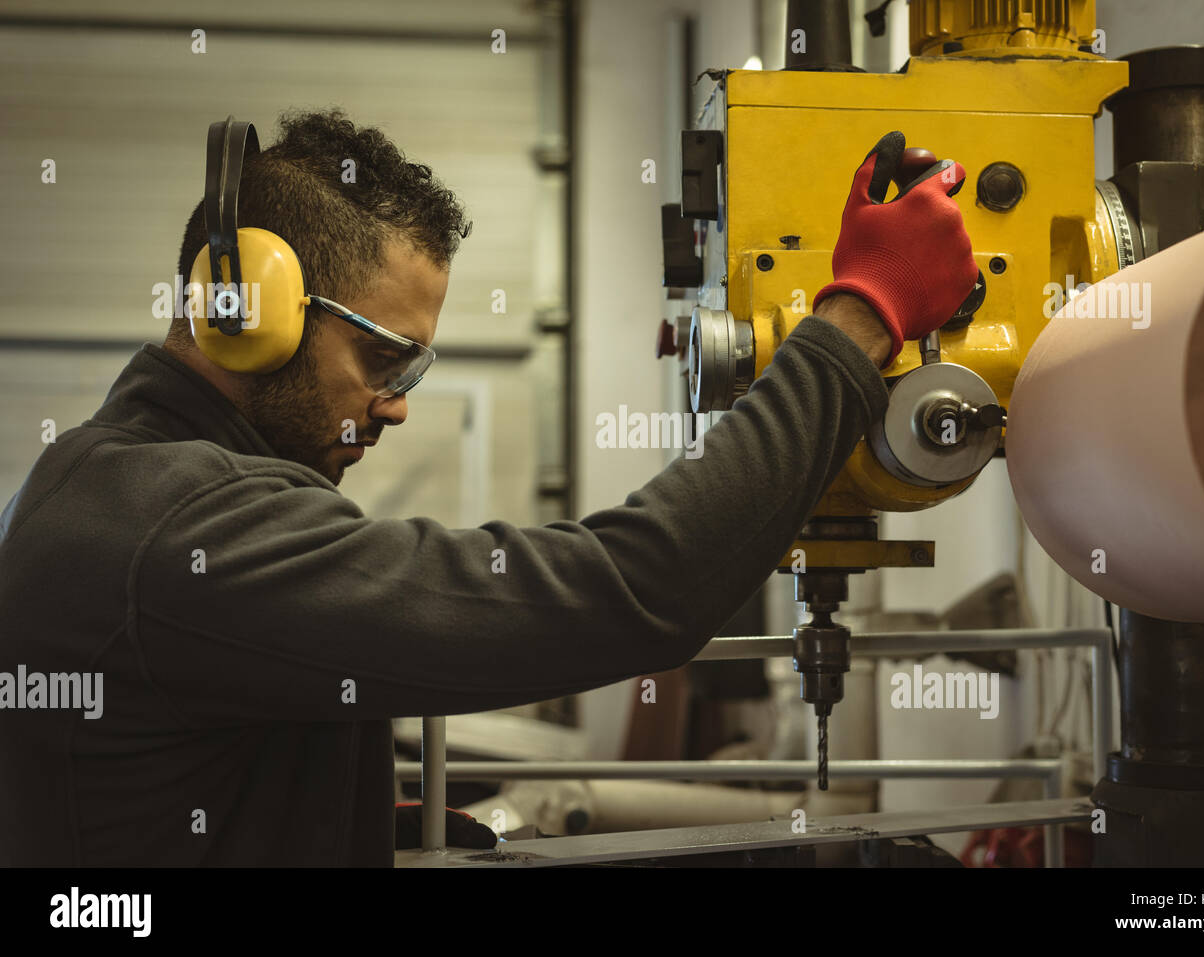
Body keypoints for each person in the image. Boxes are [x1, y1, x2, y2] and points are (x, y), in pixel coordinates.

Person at [0, 111, 975, 866]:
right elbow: (637, 586)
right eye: (385, 362)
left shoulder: (99, 478)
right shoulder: (181, 530)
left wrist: (338, 815)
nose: (396, 409)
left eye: (412, 375)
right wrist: (863, 316)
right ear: (242, 313)